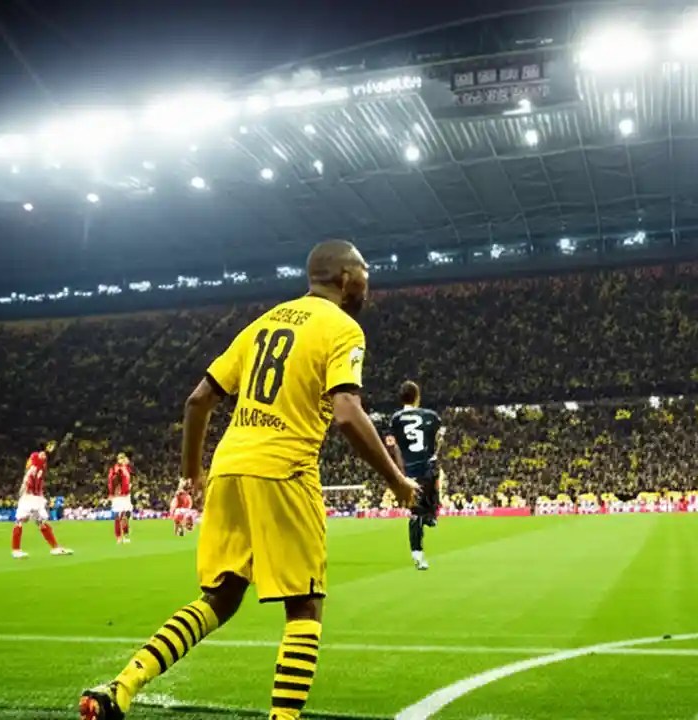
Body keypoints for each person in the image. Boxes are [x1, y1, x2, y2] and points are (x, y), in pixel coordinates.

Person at [79, 239, 419, 720]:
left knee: (220, 597)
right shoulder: (343, 328)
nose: (369, 280)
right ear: (344, 277)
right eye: (365, 271)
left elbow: (197, 400)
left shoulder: (264, 323)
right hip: (285, 467)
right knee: (304, 606)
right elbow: (347, 412)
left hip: (230, 465)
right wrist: (398, 482)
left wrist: (191, 473)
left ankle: (121, 686)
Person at [386, 380, 444, 570]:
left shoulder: (395, 419)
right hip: (428, 468)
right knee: (438, 476)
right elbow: (439, 439)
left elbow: (393, 446)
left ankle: (418, 553)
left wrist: (401, 473)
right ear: (418, 397)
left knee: (414, 512)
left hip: (409, 470)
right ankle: (432, 513)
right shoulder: (431, 416)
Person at [12, 441, 73, 559]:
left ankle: (55, 548)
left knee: (42, 522)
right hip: (28, 496)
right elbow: (28, 470)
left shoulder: (43, 465)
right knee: (20, 520)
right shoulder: (34, 458)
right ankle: (16, 549)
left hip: (38, 497)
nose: (45, 455)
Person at [108, 453, 134, 544]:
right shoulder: (116, 469)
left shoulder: (127, 469)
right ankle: (119, 537)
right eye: (122, 459)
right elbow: (111, 481)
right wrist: (111, 493)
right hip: (118, 496)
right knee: (117, 516)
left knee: (126, 515)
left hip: (126, 495)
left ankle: (126, 534)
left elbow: (129, 480)